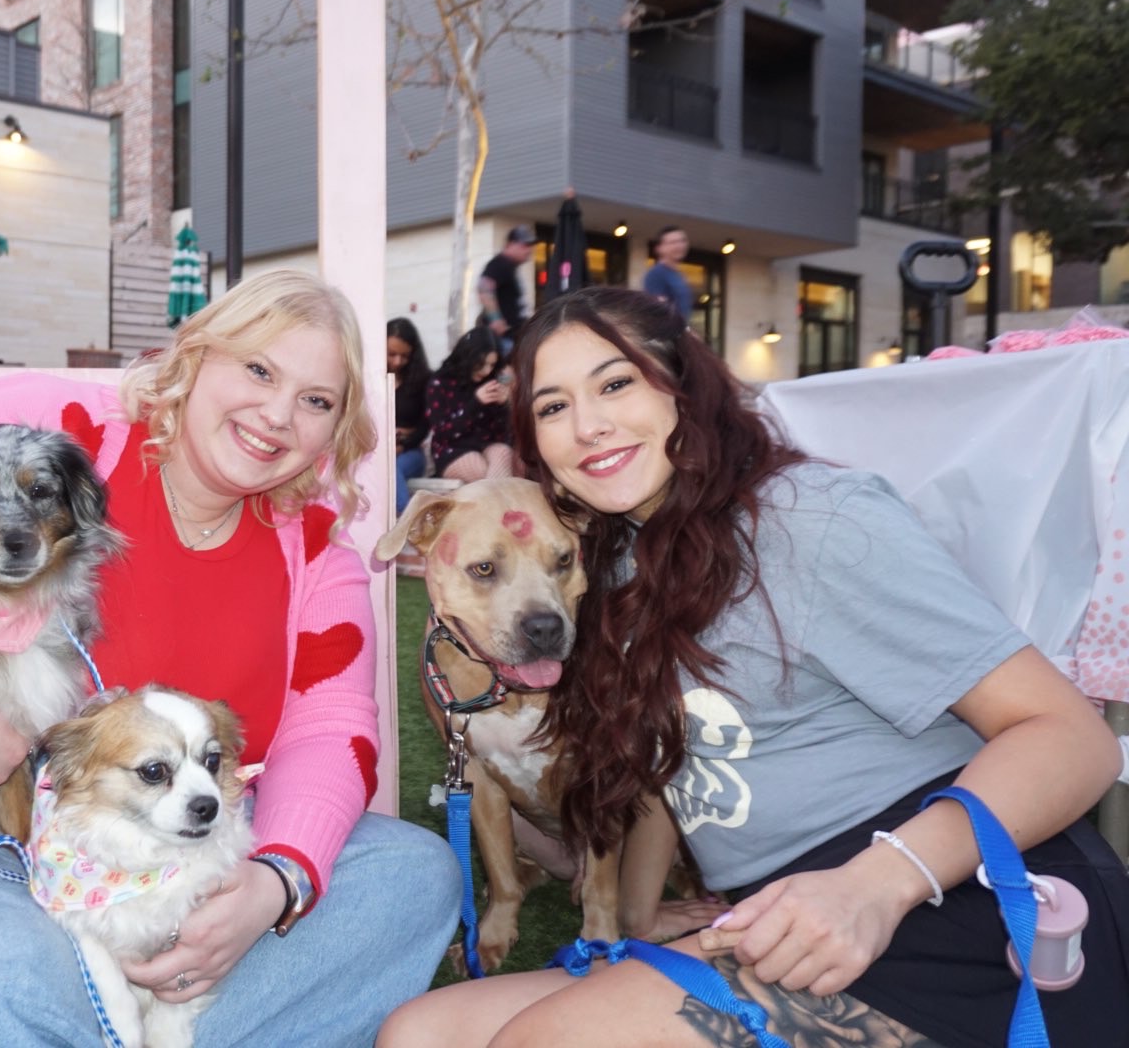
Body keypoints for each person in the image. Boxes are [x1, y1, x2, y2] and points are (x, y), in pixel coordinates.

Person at [0, 269, 461, 1047]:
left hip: (164, 858)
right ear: (194, 356)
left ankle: (89, 1017)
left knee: (409, 876)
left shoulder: (314, 549)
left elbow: (330, 728)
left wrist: (277, 882)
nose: (277, 414)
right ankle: (69, 1005)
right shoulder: (43, 433)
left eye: (316, 400)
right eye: (258, 369)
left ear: (335, 432)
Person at [380, 287, 1129, 1047]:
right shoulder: (601, 566)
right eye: (551, 407)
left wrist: (881, 882)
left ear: (683, 384)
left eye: (616, 383)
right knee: (418, 1035)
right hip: (780, 915)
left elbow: (1073, 737)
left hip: (953, 904)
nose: (588, 424)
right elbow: (661, 779)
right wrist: (637, 921)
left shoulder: (813, 520)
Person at [426, 326, 513, 483]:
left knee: (504, 452)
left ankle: (495, 507)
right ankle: (501, 507)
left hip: (486, 445)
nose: (486, 370)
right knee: (484, 473)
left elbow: (502, 434)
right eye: (481, 364)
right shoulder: (440, 382)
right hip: (452, 450)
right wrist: (475, 403)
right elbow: (443, 433)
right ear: (468, 357)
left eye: (491, 365)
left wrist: (504, 406)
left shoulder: (491, 382)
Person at [388, 316, 431, 514]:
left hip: (411, 451)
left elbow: (425, 425)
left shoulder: (422, 380)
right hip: (378, 450)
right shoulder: (370, 378)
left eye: (404, 356)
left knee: (392, 469)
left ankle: (405, 521)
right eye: (391, 354)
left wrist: (403, 443)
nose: (397, 362)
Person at [477, 225, 537, 357]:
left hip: (513, 338)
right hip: (504, 340)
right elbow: (484, 288)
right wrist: (495, 319)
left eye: (530, 245)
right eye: (524, 245)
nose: (528, 250)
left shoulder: (509, 267)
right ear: (511, 244)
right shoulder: (500, 264)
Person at [641, 225, 693, 322]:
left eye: (682, 241)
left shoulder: (679, 276)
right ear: (659, 248)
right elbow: (657, 311)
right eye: (673, 242)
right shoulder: (656, 274)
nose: (679, 246)